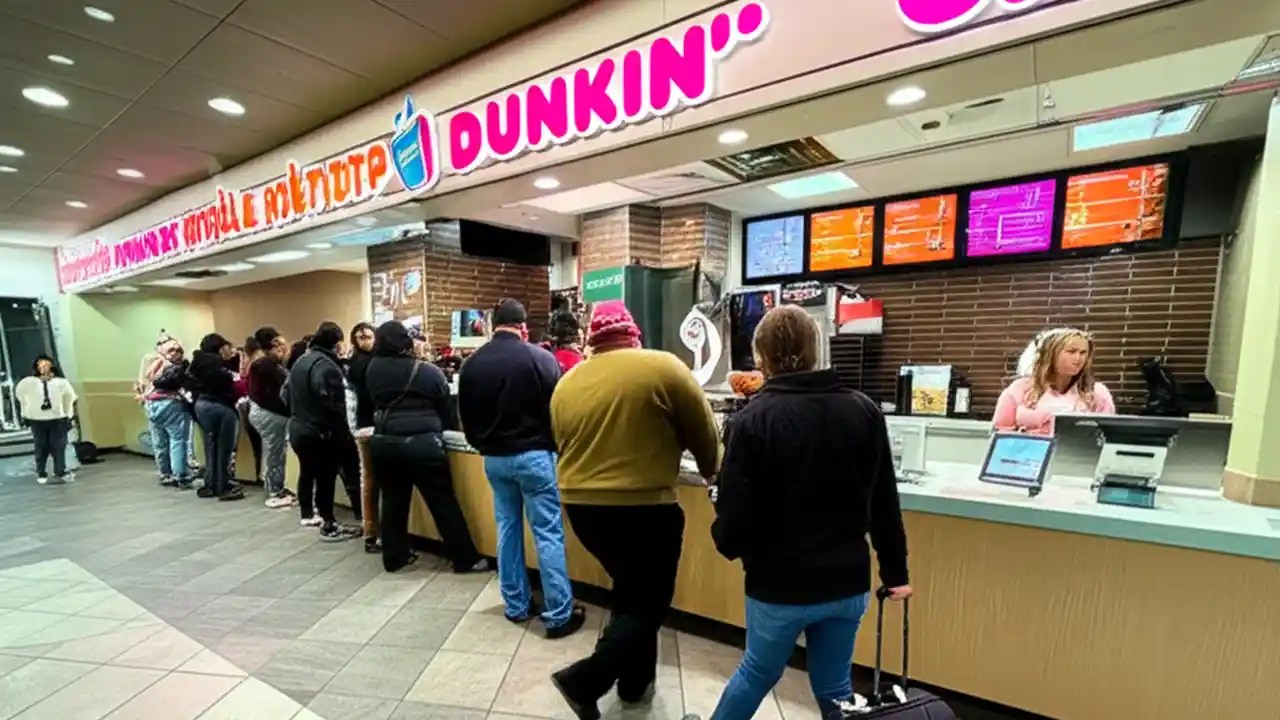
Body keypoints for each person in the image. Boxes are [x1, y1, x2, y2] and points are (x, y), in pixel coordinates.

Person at [706, 305, 911, 720]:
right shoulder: (864, 409)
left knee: (758, 672)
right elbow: (884, 500)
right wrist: (896, 574)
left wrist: (727, 541)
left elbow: (735, 515)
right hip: (846, 582)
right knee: (835, 686)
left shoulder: (752, 420)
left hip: (779, 584)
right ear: (817, 350)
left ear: (760, 356)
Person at [548, 300, 720, 719]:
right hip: (647, 508)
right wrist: (709, 466)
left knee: (631, 589)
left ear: (593, 339)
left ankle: (634, 682)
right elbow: (709, 446)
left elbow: (560, 442)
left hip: (582, 509)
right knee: (651, 603)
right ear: (633, 334)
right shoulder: (664, 367)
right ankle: (584, 679)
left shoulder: (567, 383)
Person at [458, 298, 583, 638]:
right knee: (547, 533)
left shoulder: (472, 365)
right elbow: (561, 411)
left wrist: (485, 444)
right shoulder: (541, 359)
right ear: (523, 326)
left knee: (508, 528)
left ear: (491, 325)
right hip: (535, 457)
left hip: (495, 460)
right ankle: (558, 614)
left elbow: (466, 419)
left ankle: (516, 605)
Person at [365, 321, 486, 573]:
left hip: (384, 442)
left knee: (393, 502)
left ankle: (394, 557)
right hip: (422, 444)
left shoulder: (372, 369)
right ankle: (464, 558)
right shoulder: (427, 371)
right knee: (442, 502)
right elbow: (446, 410)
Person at [286, 322, 363, 541]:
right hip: (320, 432)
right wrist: (342, 433)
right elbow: (330, 404)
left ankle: (311, 514)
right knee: (326, 478)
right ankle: (329, 523)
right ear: (337, 343)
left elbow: (286, 395)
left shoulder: (301, 361)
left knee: (309, 472)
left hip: (298, 426)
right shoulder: (326, 366)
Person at [993, 327, 1116, 436]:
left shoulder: (1097, 392)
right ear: (1051, 355)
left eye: (1083, 353)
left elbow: (1107, 434)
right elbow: (1001, 431)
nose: (1078, 358)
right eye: (1071, 352)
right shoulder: (1020, 388)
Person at [189, 334, 245, 501]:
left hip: (201, 405)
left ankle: (210, 484)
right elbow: (229, 385)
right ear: (220, 348)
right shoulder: (216, 364)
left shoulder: (197, 363)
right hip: (220, 407)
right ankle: (223, 487)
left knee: (210, 447)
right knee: (224, 449)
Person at [248, 326, 295, 509]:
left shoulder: (262, 364)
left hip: (263, 412)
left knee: (273, 451)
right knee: (275, 452)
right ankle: (274, 491)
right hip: (270, 413)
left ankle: (274, 487)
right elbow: (282, 389)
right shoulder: (266, 365)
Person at [15, 354, 77, 485]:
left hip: (57, 418)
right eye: (40, 365)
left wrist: (69, 416)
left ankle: (60, 470)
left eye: (46, 364)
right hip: (37, 419)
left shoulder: (61, 383)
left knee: (59, 445)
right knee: (41, 445)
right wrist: (26, 414)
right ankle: (41, 471)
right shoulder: (28, 382)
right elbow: (21, 397)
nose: (43, 367)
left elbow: (70, 399)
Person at [143, 337, 194, 489]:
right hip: (172, 404)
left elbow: (148, 378)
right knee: (177, 440)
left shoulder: (156, 366)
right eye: (172, 350)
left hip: (152, 404)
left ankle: (165, 474)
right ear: (162, 352)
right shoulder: (180, 368)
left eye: (179, 350)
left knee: (160, 442)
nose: (176, 353)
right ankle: (181, 475)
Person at [239, 336, 265, 483]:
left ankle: (258, 473)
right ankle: (263, 475)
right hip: (259, 406)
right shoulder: (260, 362)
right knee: (263, 444)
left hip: (249, 405)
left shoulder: (249, 362)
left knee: (257, 445)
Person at [347, 322, 377, 429]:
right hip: (362, 410)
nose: (366, 341)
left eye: (369, 337)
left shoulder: (380, 359)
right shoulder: (353, 361)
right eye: (361, 338)